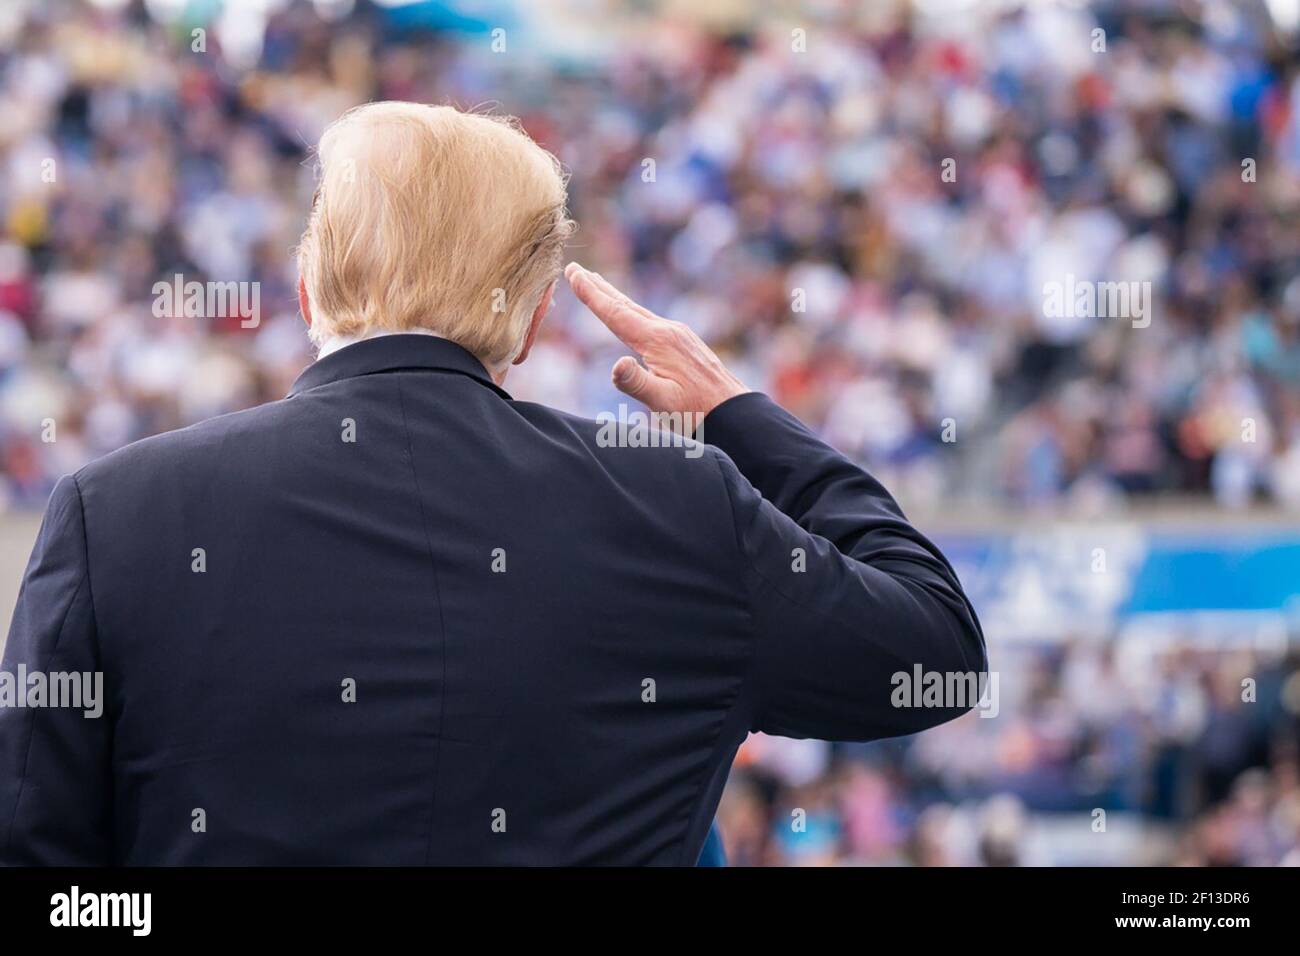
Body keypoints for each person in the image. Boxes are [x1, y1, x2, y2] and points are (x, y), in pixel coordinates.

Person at [0, 102, 984, 865]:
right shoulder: (683, 497)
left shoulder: (112, 511)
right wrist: (740, 416)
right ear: (533, 318)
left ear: (308, 287)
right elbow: (933, 642)